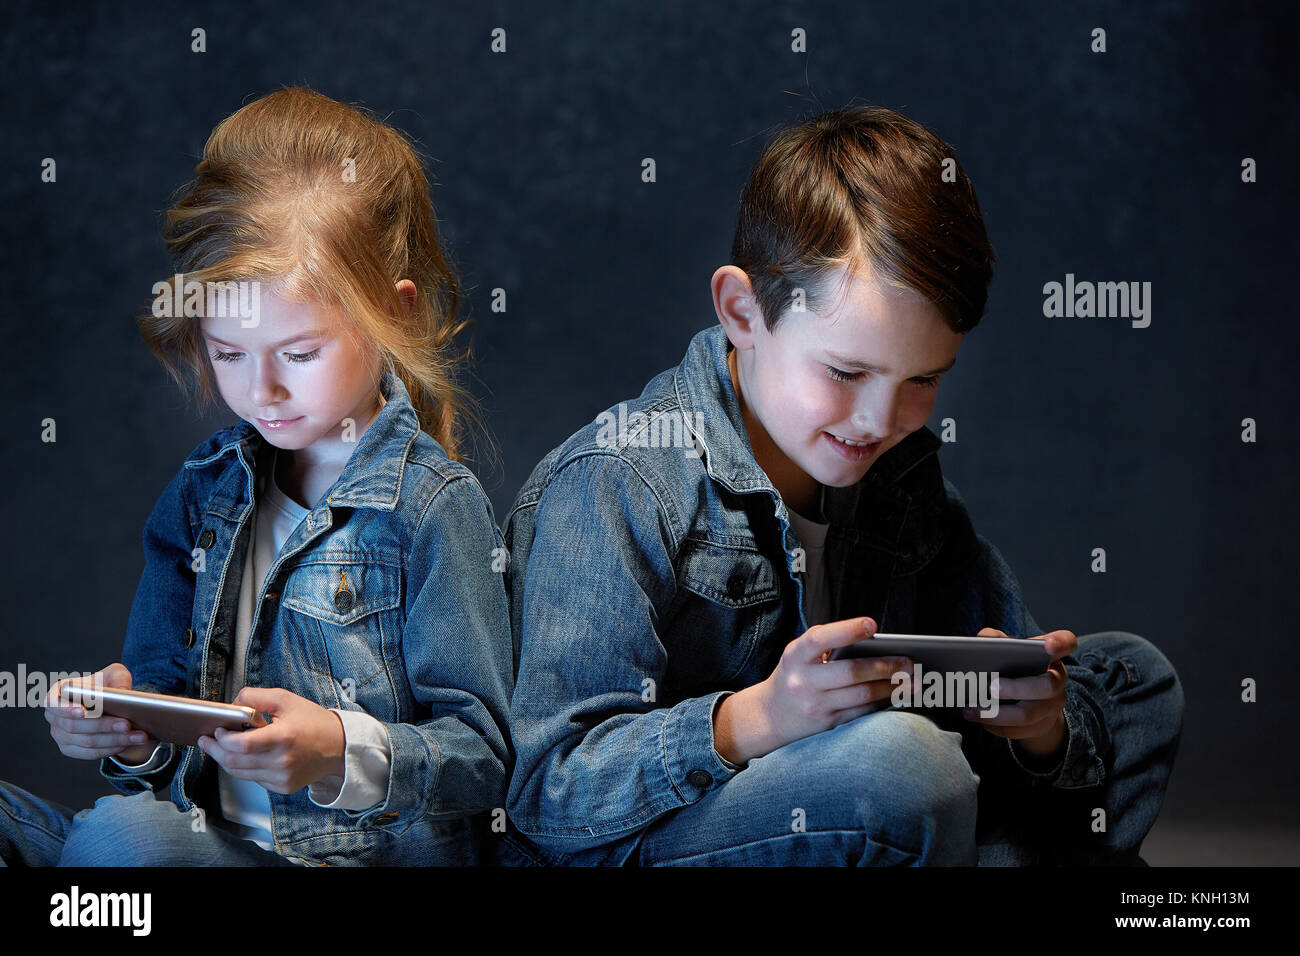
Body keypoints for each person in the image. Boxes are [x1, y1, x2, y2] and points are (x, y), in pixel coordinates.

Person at [499, 106, 1184, 866]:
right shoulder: (617, 481)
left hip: (874, 819)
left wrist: (1038, 726)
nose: (880, 419)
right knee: (899, 767)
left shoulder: (900, 482)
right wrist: (756, 720)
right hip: (674, 838)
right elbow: (545, 797)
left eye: (923, 378)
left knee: (1133, 684)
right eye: (845, 372)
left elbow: (1015, 667)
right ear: (742, 312)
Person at [0, 86, 513, 866]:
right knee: (113, 831)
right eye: (229, 354)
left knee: (114, 841)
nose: (260, 390)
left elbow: (485, 756)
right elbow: (168, 738)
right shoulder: (203, 494)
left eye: (299, 354)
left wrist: (338, 750)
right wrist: (125, 733)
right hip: (208, 846)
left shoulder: (433, 507)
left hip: (356, 860)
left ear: (393, 316)